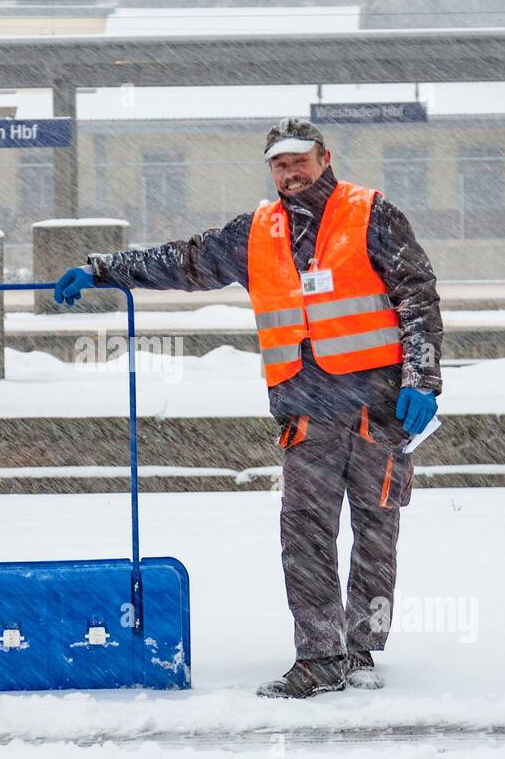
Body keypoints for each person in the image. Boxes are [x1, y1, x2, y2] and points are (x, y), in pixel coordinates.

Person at [54, 117, 443, 698]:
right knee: (305, 532)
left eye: (300, 159)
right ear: (271, 170)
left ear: (325, 156)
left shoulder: (371, 213)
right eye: (280, 163)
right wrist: (104, 268)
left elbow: (417, 292)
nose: (291, 171)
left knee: (376, 529)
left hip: (379, 404)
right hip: (307, 409)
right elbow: (184, 261)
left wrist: (423, 377)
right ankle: (319, 656)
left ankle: (363, 644)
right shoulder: (255, 232)